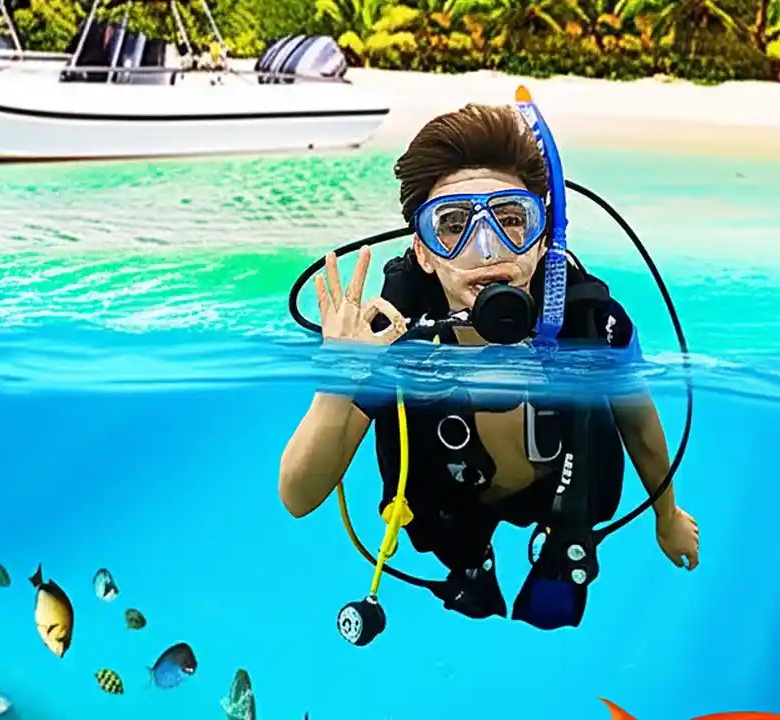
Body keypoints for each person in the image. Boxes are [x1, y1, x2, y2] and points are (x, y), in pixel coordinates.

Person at [278, 102, 699, 628]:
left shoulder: (589, 323)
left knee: (570, 553)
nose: (486, 248)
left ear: (544, 237)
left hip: (558, 491)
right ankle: (472, 562)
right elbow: (297, 496)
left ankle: (559, 551)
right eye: (452, 225)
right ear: (424, 252)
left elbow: (637, 421)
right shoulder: (389, 336)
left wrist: (667, 515)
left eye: (511, 219)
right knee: (454, 551)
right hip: (453, 503)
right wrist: (339, 377)